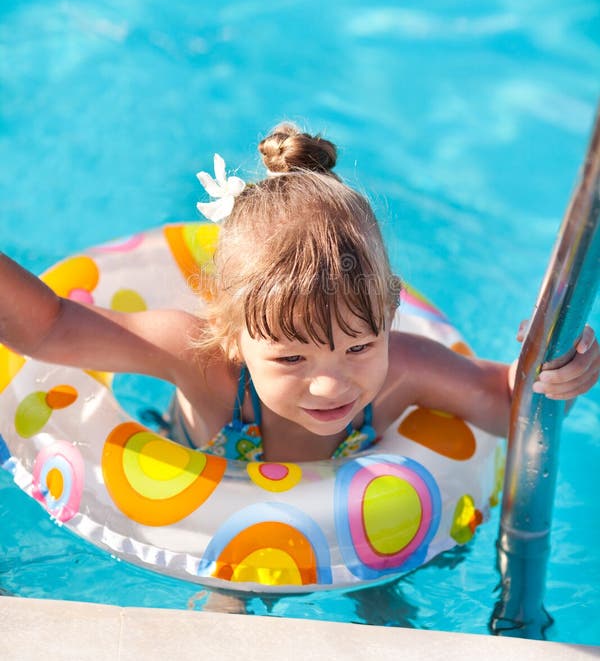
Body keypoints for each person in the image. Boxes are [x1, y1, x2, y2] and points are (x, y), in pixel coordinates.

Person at [0, 123, 598, 464]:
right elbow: (49, 327)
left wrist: (557, 373)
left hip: (356, 523)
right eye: (291, 358)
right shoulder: (200, 359)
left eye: (360, 347)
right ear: (232, 335)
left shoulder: (406, 369)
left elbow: (513, 409)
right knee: (221, 609)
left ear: (389, 313)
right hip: (205, 513)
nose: (332, 384)